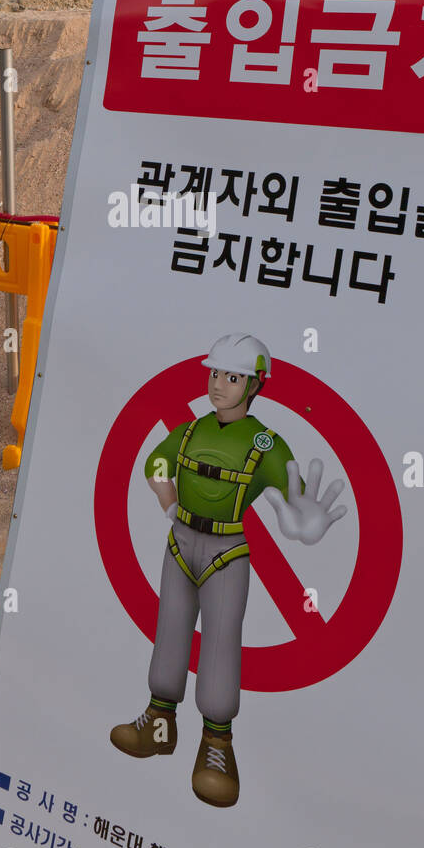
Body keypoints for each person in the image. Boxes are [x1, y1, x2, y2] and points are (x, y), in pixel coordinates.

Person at [110, 333, 347, 807]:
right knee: (171, 632)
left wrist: (303, 522)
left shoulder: (265, 443)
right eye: (215, 373)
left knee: (220, 643)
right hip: (180, 543)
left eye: (232, 377)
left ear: (255, 384)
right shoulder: (192, 430)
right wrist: (167, 500)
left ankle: (216, 747)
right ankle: (160, 723)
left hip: (227, 551)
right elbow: (156, 461)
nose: (219, 385)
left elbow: (291, 489)